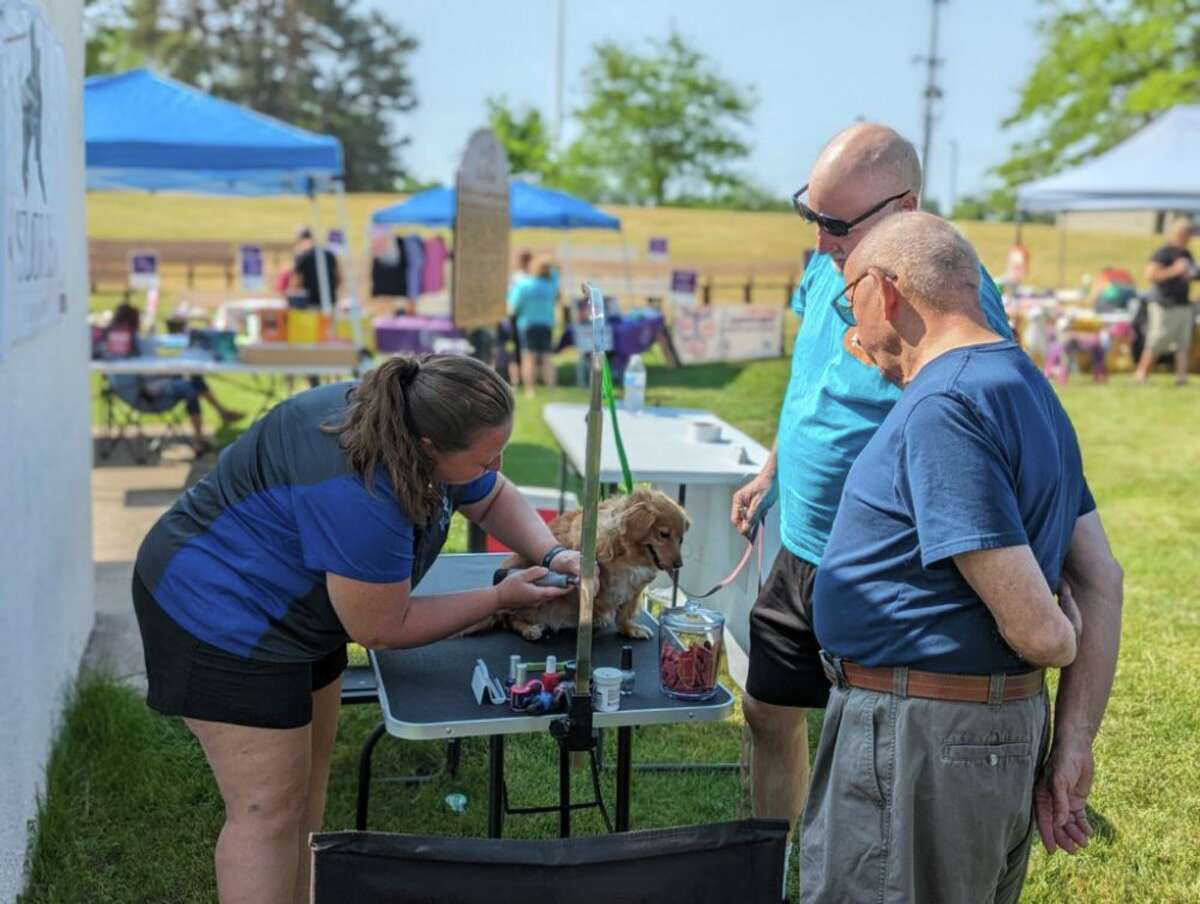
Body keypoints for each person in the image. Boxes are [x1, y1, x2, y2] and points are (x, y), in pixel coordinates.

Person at [132, 355, 581, 903]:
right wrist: (500, 597)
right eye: (488, 453)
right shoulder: (364, 490)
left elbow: (486, 492)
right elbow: (383, 626)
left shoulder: (408, 411)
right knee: (266, 812)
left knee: (307, 786)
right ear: (428, 448)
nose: (499, 461)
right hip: (217, 613)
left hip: (300, 609)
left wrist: (553, 551)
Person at [799, 212, 1122, 903]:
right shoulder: (1026, 385)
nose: (853, 328)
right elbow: (1103, 577)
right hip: (982, 733)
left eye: (849, 296)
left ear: (885, 291)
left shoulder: (943, 405)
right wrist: (1072, 744)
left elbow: (1039, 627)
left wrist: (1061, 639)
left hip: (919, 740)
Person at [728, 123, 1013, 841]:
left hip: (881, 558)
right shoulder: (826, 267)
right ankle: (775, 866)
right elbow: (810, 377)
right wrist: (775, 467)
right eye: (811, 216)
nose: (822, 241)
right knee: (766, 708)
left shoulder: (963, 294)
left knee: (870, 740)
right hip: (800, 538)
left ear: (907, 206)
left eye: (835, 224)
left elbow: (982, 420)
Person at [99, 301, 243, 456]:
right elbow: (146, 372)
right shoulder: (132, 342)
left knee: (193, 378)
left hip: (130, 390)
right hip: (148, 393)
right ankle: (202, 435)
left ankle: (219, 415)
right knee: (190, 387)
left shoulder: (111, 342)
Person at [1134, 216, 1197, 385]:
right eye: (1187, 233)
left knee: (1183, 342)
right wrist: (1174, 270)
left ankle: (1181, 377)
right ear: (1178, 233)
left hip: (1183, 303)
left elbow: (1191, 273)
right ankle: (1141, 374)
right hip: (1164, 304)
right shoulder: (1163, 253)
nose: (1190, 236)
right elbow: (1151, 275)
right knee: (1156, 341)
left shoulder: (1186, 254)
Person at [508, 254, 560, 397]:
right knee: (547, 358)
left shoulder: (523, 285)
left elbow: (513, 306)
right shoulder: (550, 286)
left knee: (528, 358)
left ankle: (530, 390)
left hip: (527, 324)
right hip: (546, 324)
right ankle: (551, 389)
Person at [292, 227, 341, 309]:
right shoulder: (329, 255)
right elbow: (338, 278)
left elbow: (297, 282)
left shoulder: (303, 257)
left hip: (311, 302)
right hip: (330, 300)